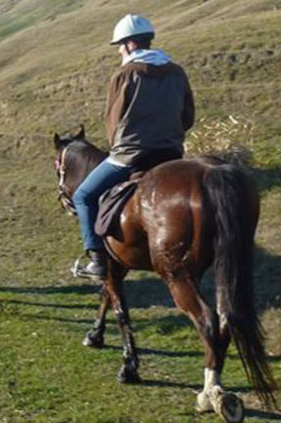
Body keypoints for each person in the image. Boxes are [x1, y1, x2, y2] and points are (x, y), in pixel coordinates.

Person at [72, 14, 195, 279]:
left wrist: (117, 147)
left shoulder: (124, 74)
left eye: (120, 44)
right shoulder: (177, 71)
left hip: (131, 155)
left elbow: (113, 121)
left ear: (129, 45)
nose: (118, 50)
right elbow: (188, 117)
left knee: (83, 195)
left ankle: (96, 259)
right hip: (172, 154)